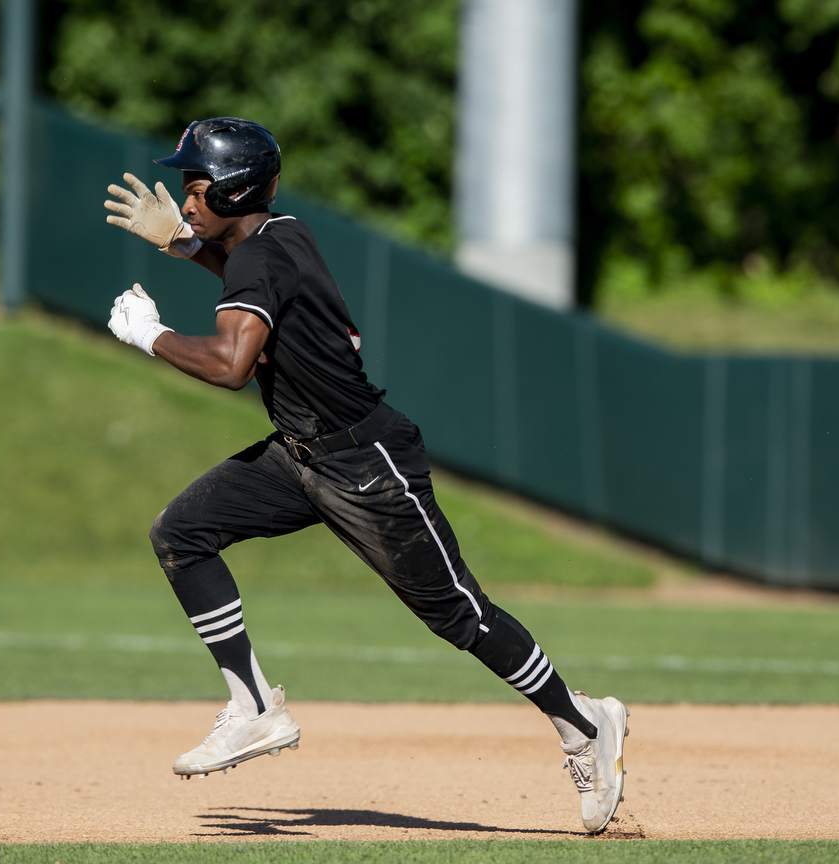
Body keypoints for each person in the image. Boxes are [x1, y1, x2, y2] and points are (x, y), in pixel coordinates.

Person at [102, 117, 629, 835]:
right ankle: (253, 704)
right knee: (182, 532)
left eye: (196, 188)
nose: (185, 200)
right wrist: (182, 242)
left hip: (367, 466)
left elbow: (230, 366)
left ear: (234, 191)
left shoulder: (260, 256)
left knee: (461, 616)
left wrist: (149, 333)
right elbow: (249, 274)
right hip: (302, 454)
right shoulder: (282, 235)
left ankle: (584, 724)